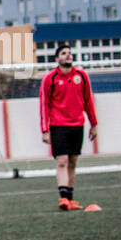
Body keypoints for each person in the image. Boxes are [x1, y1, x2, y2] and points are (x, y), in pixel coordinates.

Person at [39, 43, 99, 211]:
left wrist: (93, 124)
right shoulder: (49, 79)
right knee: (62, 160)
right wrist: (45, 130)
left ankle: (71, 200)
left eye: (70, 53)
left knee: (72, 162)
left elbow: (88, 101)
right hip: (58, 126)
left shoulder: (82, 76)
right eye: (64, 53)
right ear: (57, 59)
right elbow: (44, 104)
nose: (68, 55)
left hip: (77, 125)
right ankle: (63, 198)